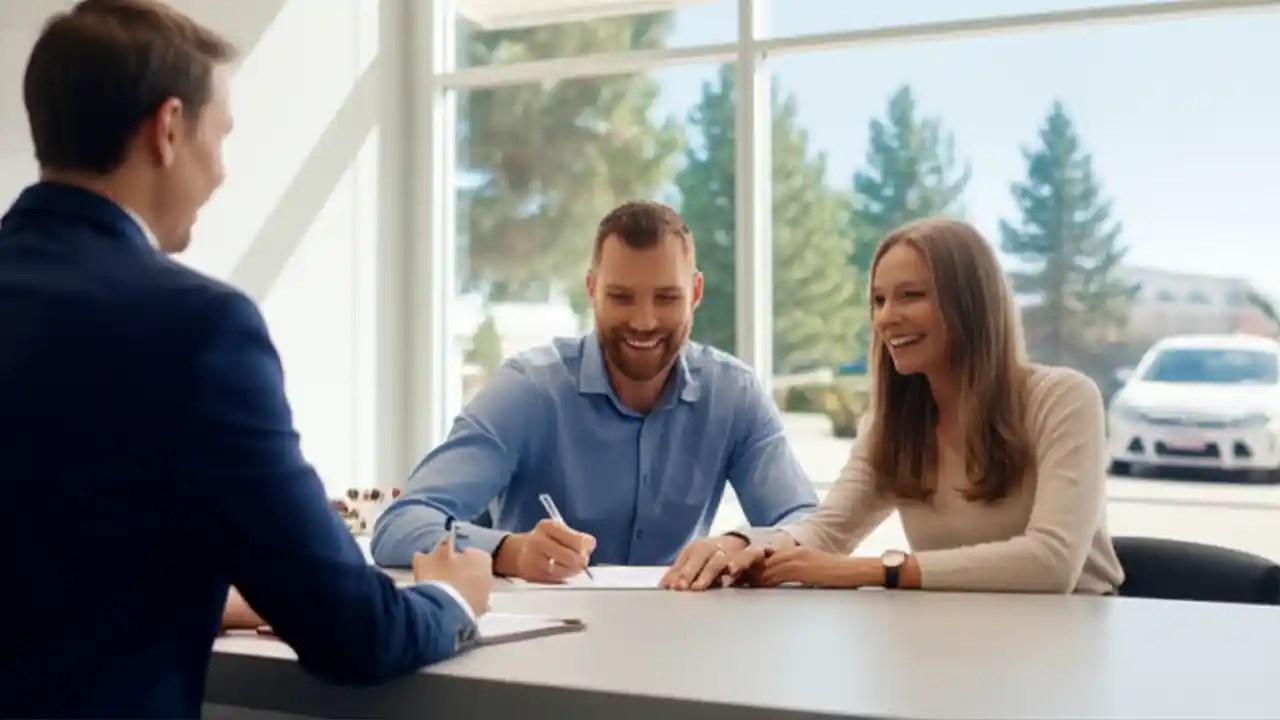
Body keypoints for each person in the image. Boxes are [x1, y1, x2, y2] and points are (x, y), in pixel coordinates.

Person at [0, 2, 491, 717]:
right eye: (220, 136)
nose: (223, 173)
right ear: (168, 129)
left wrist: (199, 591)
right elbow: (353, 635)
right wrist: (452, 599)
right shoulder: (196, 327)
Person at [372, 200, 817, 587]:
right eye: (621, 298)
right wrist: (510, 551)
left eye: (666, 298)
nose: (644, 322)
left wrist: (740, 541)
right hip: (540, 650)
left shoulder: (733, 394)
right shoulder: (528, 390)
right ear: (591, 290)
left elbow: (809, 526)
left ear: (695, 293)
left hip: (679, 641)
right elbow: (401, 524)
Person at [703, 218, 1125, 594]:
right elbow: (827, 529)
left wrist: (874, 572)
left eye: (910, 295)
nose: (887, 317)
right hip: (955, 641)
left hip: (1072, 642)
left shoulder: (1064, 399)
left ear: (970, 305)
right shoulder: (890, 425)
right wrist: (747, 545)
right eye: (879, 300)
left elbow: (1052, 562)